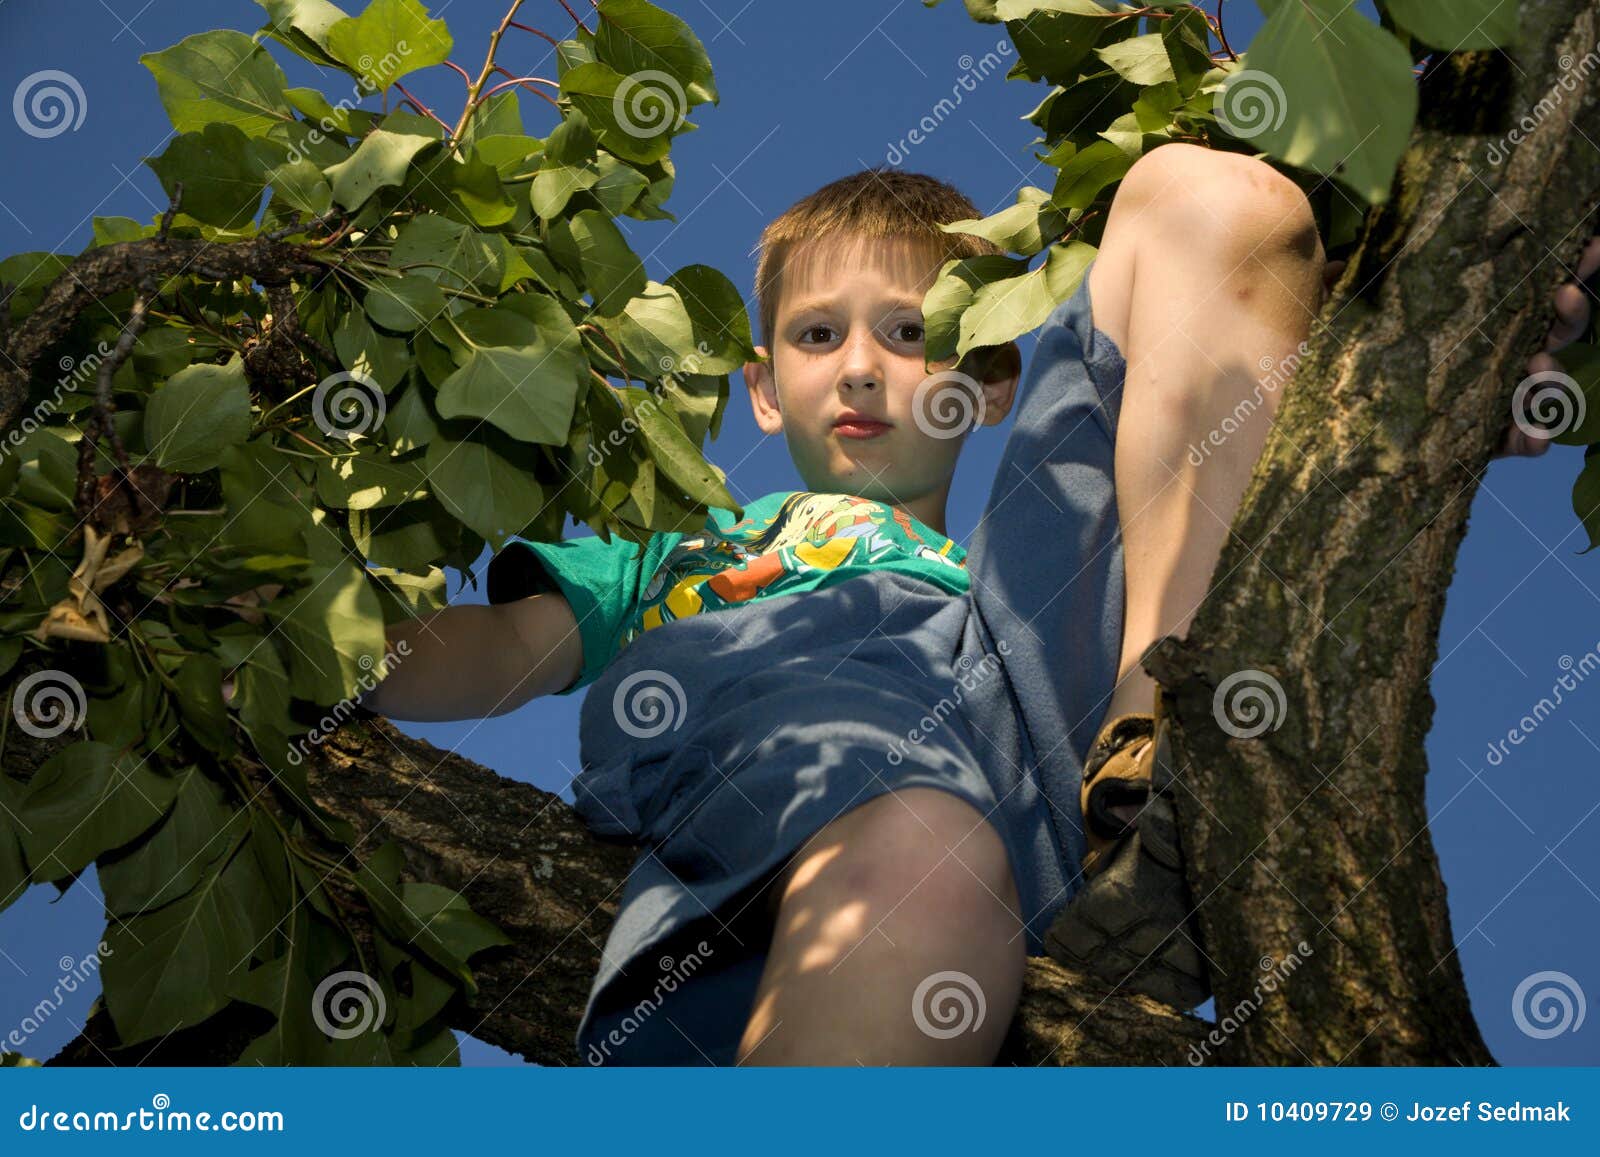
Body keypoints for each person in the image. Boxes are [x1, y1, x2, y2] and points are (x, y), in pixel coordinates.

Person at [362, 148, 1600, 1065]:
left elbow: (1202, 410)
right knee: (922, 860)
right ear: (760, 389)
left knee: (1210, 197)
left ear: (987, 378)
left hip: (1031, 736)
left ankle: (1152, 763)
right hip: (815, 825)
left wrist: (1405, 395)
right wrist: (302, 646)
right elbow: (497, 652)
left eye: (911, 332)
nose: (860, 365)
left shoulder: (1033, 567)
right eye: (815, 333)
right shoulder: (686, 555)